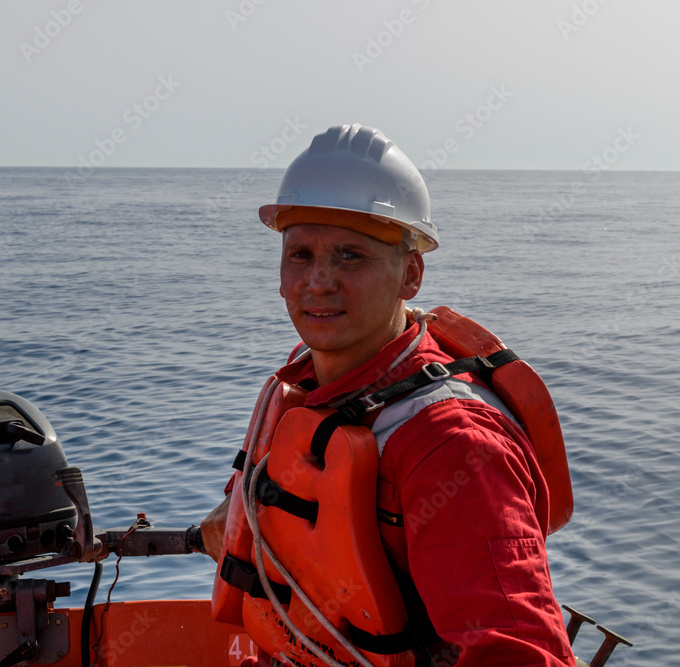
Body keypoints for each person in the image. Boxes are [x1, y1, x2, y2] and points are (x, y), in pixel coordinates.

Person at [201, 124, 574, 666]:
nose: (319, 281)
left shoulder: (454, 446)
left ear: (411, 274)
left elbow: (521, 653)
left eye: (351, 256)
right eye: (300, 255)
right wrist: (237, 506)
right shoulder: (311, 382)